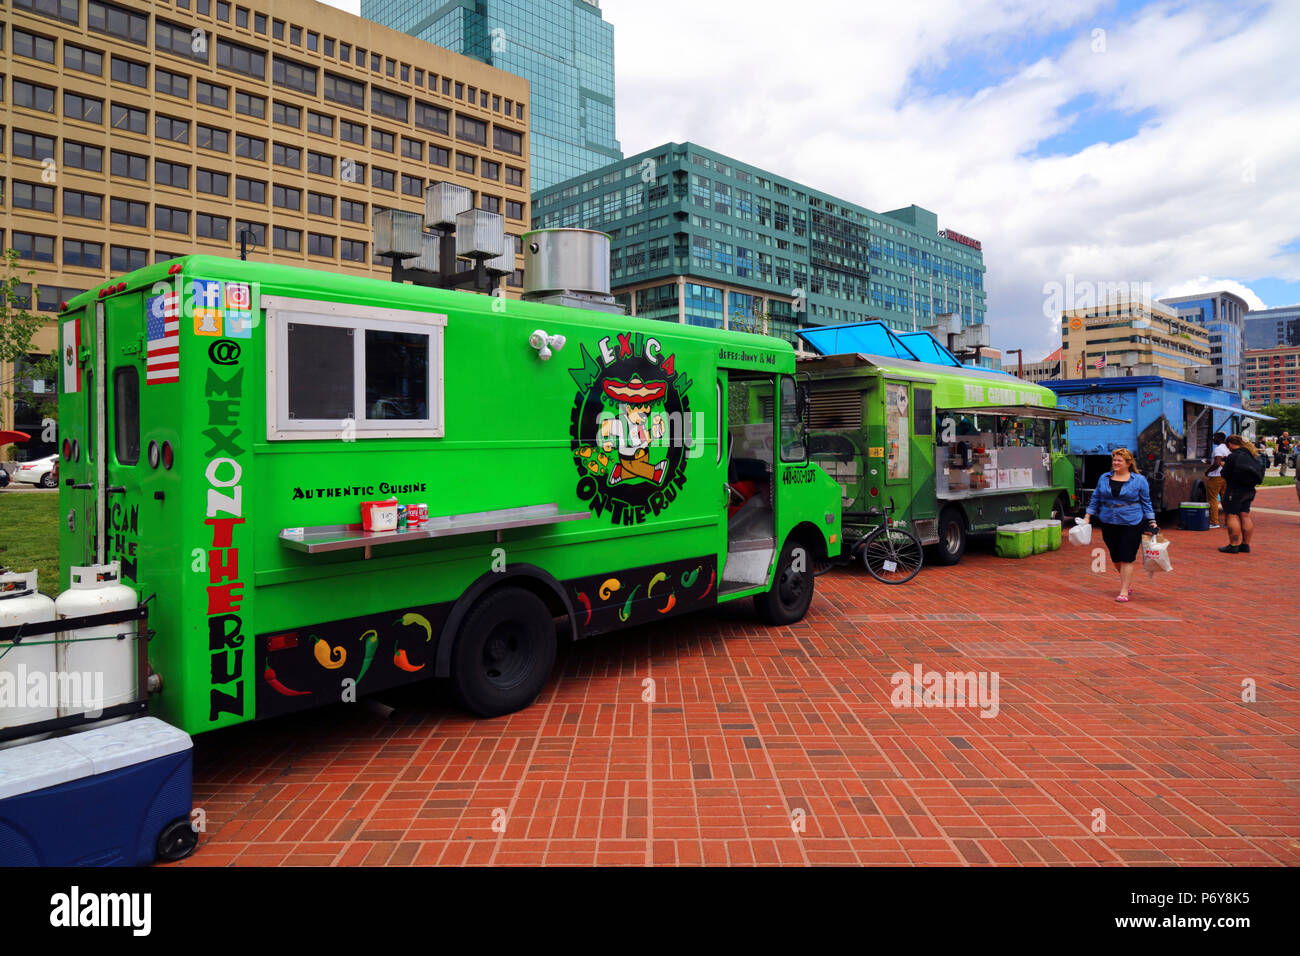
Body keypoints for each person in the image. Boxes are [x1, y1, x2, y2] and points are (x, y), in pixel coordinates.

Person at [1081, 447, 1158, 602]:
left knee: (1127, 557)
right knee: (1116, 556)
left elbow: (1146, 501)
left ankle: (1124, 590)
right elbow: (1096, 497)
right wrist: (1087, 516)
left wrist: (1152, 521)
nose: (1115, 463)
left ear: (1128, 463)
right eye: (1114, 460)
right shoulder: (1105, 477)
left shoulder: (1139, 480)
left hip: (1132, 521)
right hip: (1109, 520)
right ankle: (1126, 580)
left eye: (1119, 460)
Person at [1219, 434, 1263, 553]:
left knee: (1232, 515)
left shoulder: (1233, 456)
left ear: (1231, 444)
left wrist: (1224, 465)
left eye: (1228, 446)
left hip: (1234, 489)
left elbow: (1225, 474)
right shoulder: (1253, 455)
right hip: (1249, 490)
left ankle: (1233, 545)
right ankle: (1245, 545)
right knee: (1245, 515)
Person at [1205, 431, 1229, 529]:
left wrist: (1207, 471)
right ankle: (1228, 521)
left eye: (1215, 437)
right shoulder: (1227, 448)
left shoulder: (1218, 449)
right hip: (1225, 476)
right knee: (1225, 499)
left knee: (1212, 499)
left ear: (1219, 438)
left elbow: (1217, 463)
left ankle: (1214, 522)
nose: (1213, 439)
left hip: (1215, 476)